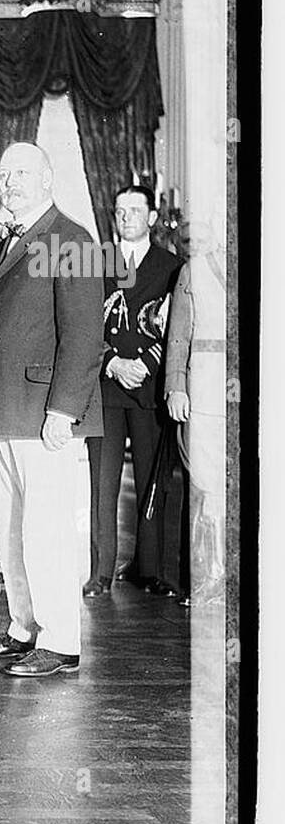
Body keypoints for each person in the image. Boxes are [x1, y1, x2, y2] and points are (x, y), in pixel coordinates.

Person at [0, 142, 103, 678]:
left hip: (44, 415)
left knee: (48, 531)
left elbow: (85, 335)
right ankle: (25, 627)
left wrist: (64, 410)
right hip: (2, 411)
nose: (11, 181)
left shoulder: (73, 238)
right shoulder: (7, 242)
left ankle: (61, 640)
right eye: (4, 173)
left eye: (22, 172)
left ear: (47, 179)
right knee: (12, 528)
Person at [84, 185, 183, 599]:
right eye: (120, 210)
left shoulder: (172, 266)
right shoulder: (95, 263)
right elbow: (84, 321)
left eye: (135, 210)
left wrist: (146, 365)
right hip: (106, 389)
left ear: (152, 216)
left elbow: (178, 327)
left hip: (148, 387)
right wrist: (111, 362)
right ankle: (100, 572)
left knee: (151, 482)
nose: (126, 217)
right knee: (102, 486)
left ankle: (151, 570)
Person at [164, 223, 227, 605]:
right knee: (206, 489)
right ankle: (210, 577)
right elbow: (178, 333)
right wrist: (176, 386)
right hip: (204, 394)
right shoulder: (194, 272)